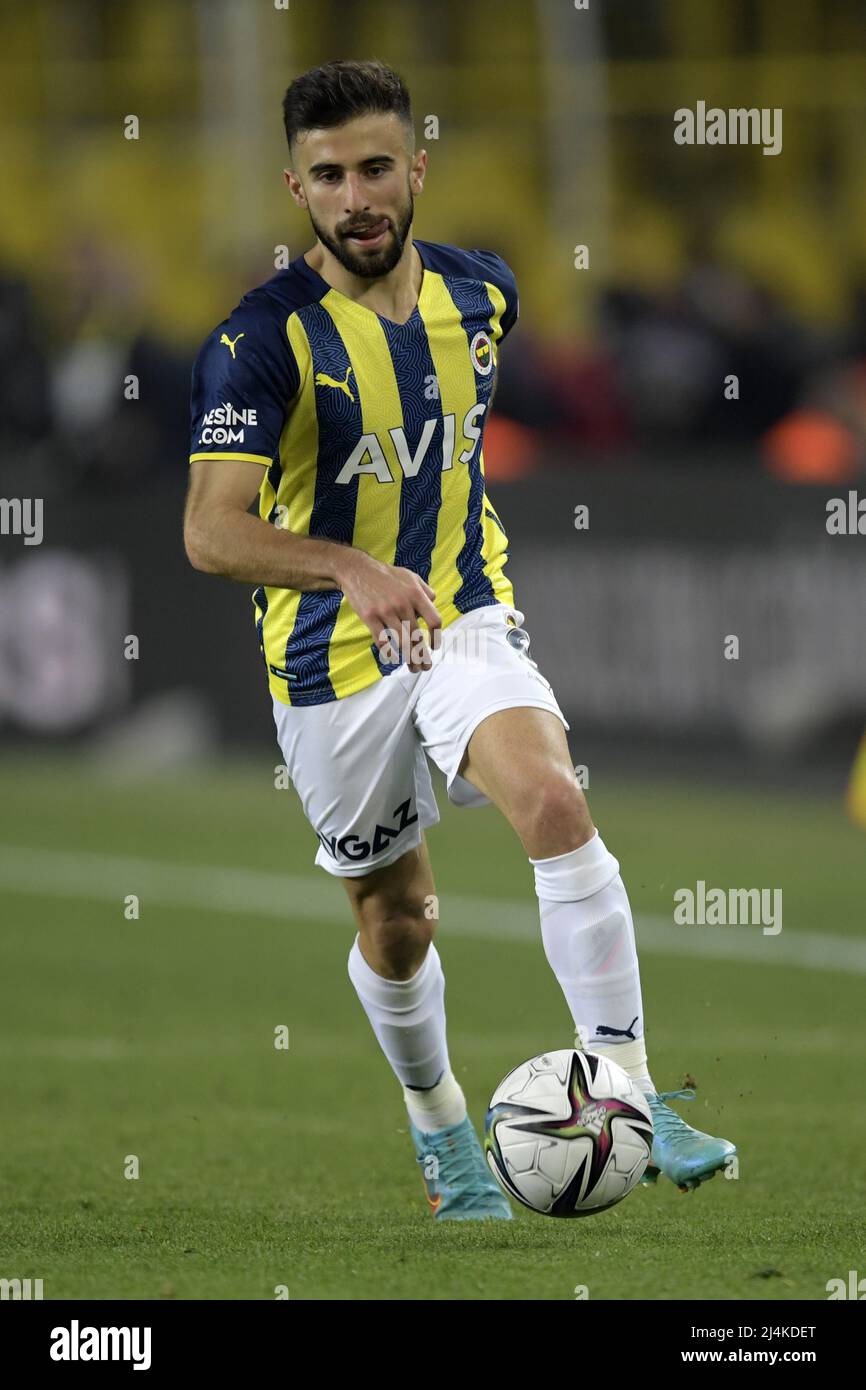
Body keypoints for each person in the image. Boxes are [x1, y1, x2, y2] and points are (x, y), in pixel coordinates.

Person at [183, 59, 735, 1220]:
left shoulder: (483, 294)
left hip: (460, 617)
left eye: (376, 168)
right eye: (328, 176)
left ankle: (630, 1088)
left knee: (553, 804)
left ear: (415, 168)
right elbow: (208, 530)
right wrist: (346, 566)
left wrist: (414, 575)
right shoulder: (259, 342)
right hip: (326, 663)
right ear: (297, 187)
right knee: (397, 922)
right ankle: (441, 1131)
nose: (356, 198)